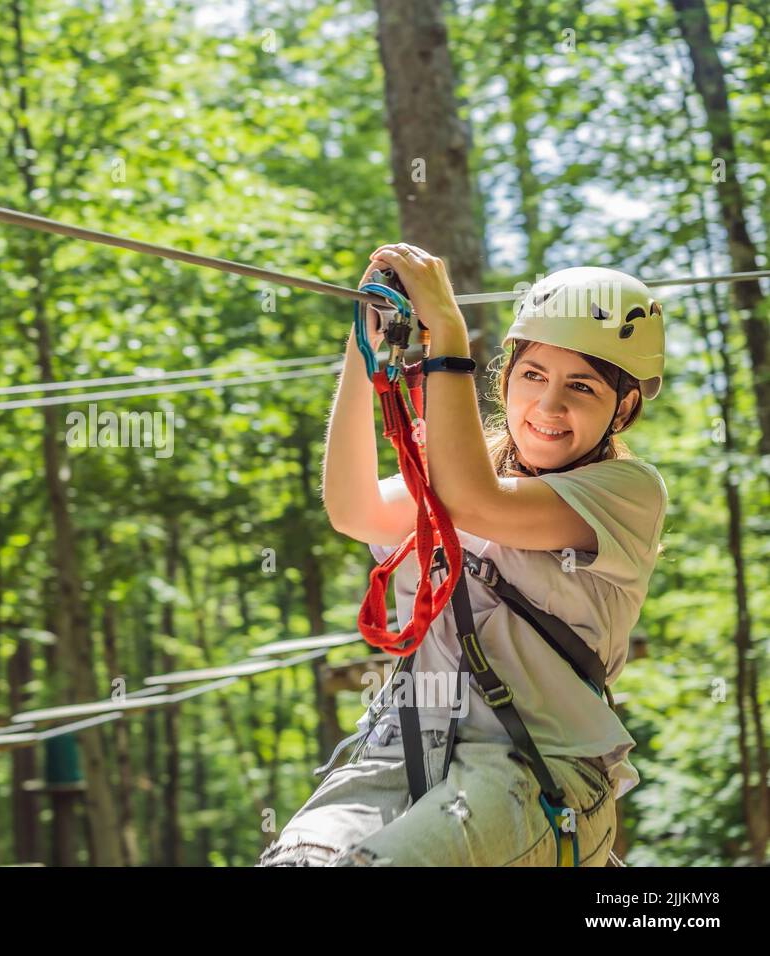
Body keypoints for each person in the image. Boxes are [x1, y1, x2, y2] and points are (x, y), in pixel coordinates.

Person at [259, 245, 667, 866]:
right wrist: (362, 347)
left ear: (625, 407)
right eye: (533, 376)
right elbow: (356, 509)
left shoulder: (626, 494)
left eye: (581, 387)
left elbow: (478, 504)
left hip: (536, 768)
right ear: (507, 377)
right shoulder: (458, 471)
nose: (550, 406)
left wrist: (446, 332)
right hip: (407, 747)